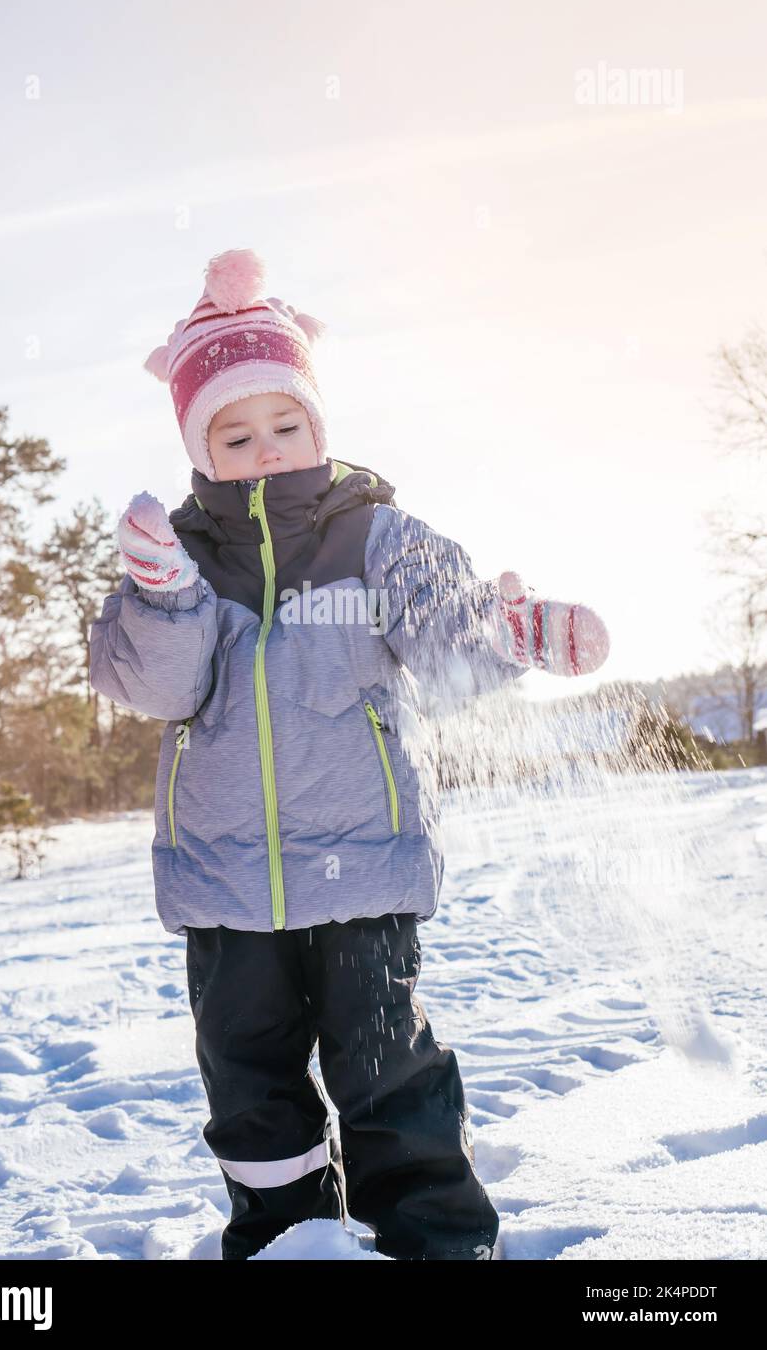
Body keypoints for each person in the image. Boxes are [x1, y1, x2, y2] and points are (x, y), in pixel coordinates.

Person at [88, 248, 610, 1261]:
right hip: (226, 889)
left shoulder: (377, 538)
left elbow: (445, 639)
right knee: (250, 1087)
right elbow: (152, 687)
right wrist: (158, 597)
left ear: (316, 425)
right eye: (232, 433)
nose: (263, 447)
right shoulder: (183, 559)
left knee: (387, 1073)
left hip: (363, 871)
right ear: (198, 446)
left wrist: (513, 635)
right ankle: (287, 1241)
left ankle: (439, 1242)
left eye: (285, 423)